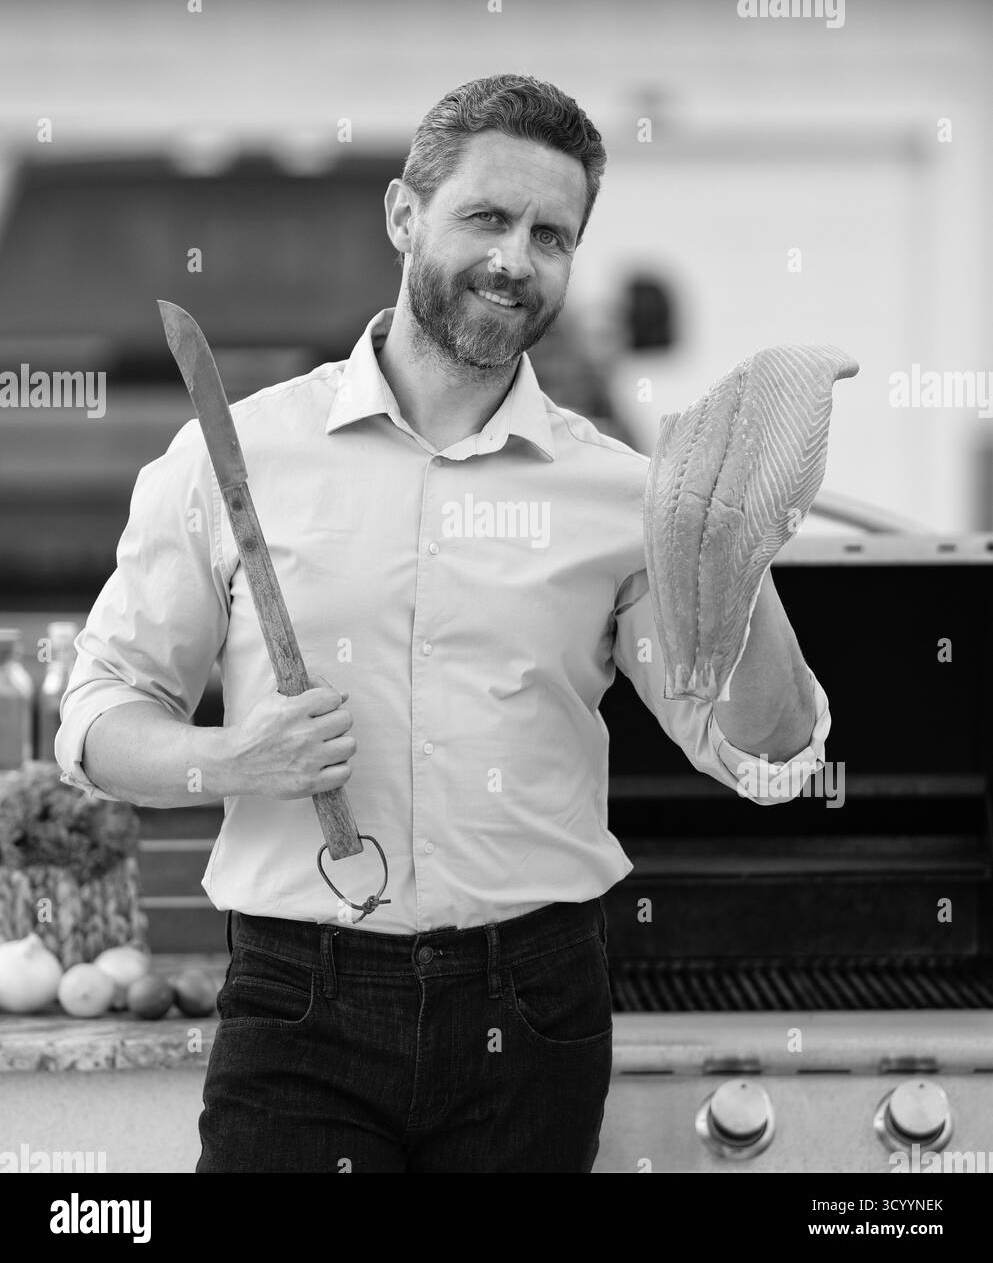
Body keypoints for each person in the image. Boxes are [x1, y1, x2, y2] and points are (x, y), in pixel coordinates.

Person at [55, 74, 830, 1174]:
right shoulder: (237, 453)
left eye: (551, 233)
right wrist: (230, 756)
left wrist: (738, 543)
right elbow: (96, 717)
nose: (517, 256)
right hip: (298, 1000)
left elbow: (766, 750)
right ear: (403, 215)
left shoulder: (620, 495)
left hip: (535, 1008)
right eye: (487, 216)